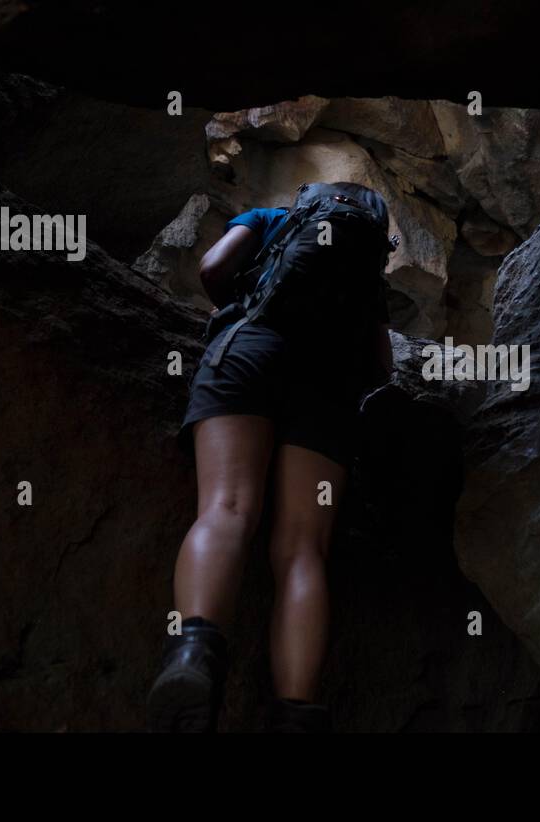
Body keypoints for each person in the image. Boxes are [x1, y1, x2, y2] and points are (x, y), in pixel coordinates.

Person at [147, 182, 395, 733]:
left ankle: (193, 657)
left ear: (310, 199)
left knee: (227, 508)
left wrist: (249, 309)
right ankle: (296, 714)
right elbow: (382, 367)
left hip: (251, 350)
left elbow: (213, 268)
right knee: (304, 550)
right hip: (330, 388)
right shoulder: (368, 269)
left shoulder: (271, 218)